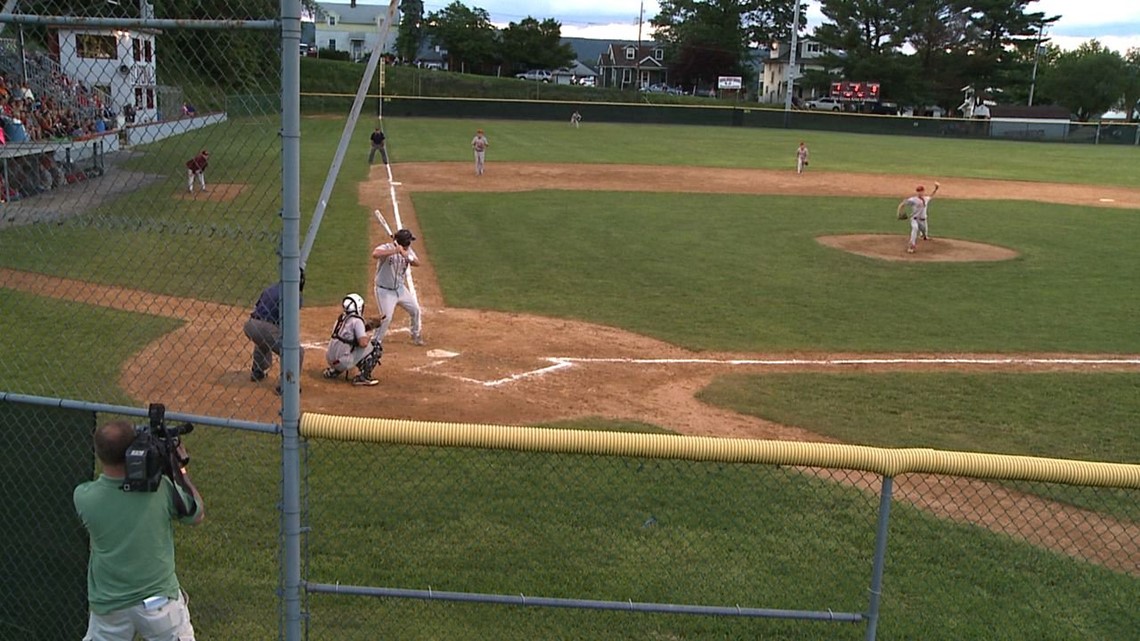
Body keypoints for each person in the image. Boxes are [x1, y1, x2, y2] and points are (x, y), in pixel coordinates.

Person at [73, 421, 204, 641]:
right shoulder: (161, 490)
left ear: (97, 453)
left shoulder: (84, 497)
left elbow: (111, 491)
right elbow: (196, 514)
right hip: (159, 603)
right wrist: (177, 468)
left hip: (109, 606)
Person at [243, 270, 305, 385]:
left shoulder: (271, 288)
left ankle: (257, 371)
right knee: (296, 352)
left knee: (264, 340)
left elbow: (257, 306)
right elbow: (289, 321)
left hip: (250, 325)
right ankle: (287, 384)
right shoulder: (293, 294)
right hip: (265, 327)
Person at [372, 228, 424, 347]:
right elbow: (375, 254)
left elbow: (417, 263)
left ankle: (415, 335)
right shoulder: (387, 248)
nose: (410, 244)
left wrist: (406, 256)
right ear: (404, 242)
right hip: (384, 291)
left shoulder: (408, 251)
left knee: (415, 310)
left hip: (400, 289)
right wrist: (395, 251)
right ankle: (375, 341)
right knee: (387, 317)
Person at [323, 293, 382, 386]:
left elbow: (349, 334)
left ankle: (333, 371)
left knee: (344, 343)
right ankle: (363, 377)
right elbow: (363, 343)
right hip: (342, 362)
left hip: (330, 359)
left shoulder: (341, 318)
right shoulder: (357, 321)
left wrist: (370, 325)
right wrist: (368, 338)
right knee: (375, 347)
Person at [897, 182, 940, 253]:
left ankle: (924, 236)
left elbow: (931, 195)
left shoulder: (926, 199)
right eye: (918, 191)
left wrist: (936, 189)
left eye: (921, 191)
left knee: (924, 233)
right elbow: (903, 203)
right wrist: (899, 211)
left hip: (923, 221)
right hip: (915, 219)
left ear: (923, 191)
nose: (920, 193)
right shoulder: (913, 199)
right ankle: (911, 246)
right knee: (915, 228)